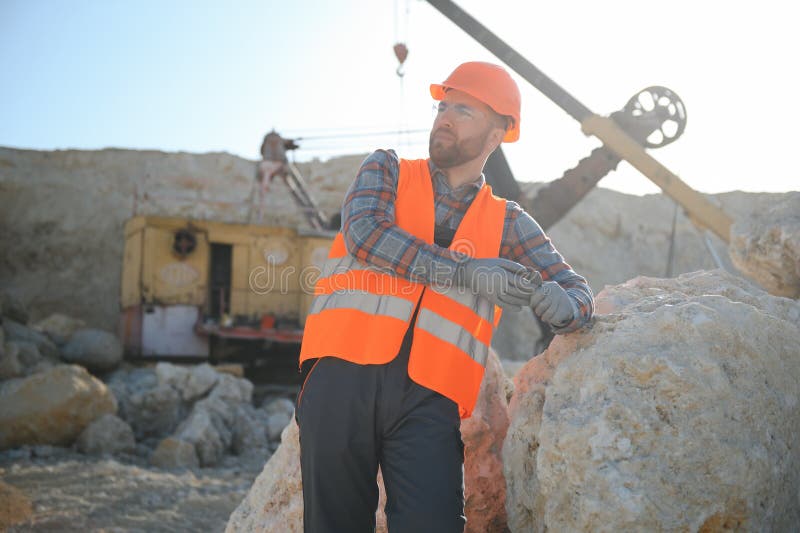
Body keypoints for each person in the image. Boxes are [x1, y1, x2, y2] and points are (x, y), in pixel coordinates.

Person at [295, 61, 594, 532]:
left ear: (497, 135)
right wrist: (469, 271)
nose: (445, 118)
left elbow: (576, 289)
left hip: (429, 398)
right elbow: (366, 234)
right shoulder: (386, 170)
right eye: (442, 106)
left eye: (464, 110)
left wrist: (567, 305)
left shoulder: (509, 221)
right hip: (341, 377)